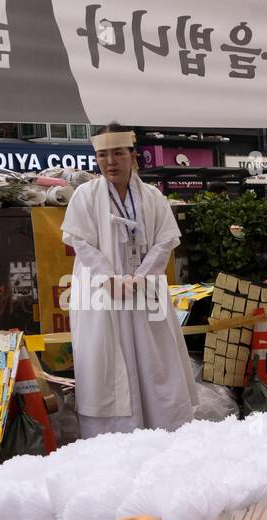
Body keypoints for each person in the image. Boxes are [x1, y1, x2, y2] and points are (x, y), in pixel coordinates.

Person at [62, 124, 197, 438]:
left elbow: (165, 241)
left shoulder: (151, 196)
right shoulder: (85, 195)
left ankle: (164, 432)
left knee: (155, 359)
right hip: (101, 293)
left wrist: (140, 278)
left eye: (118, 153)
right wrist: (109, 278)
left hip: (144, 290)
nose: (110, 161)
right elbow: (80, 241)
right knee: (107, 360)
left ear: (132, 156)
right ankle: (113, 440)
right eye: (102, 154)